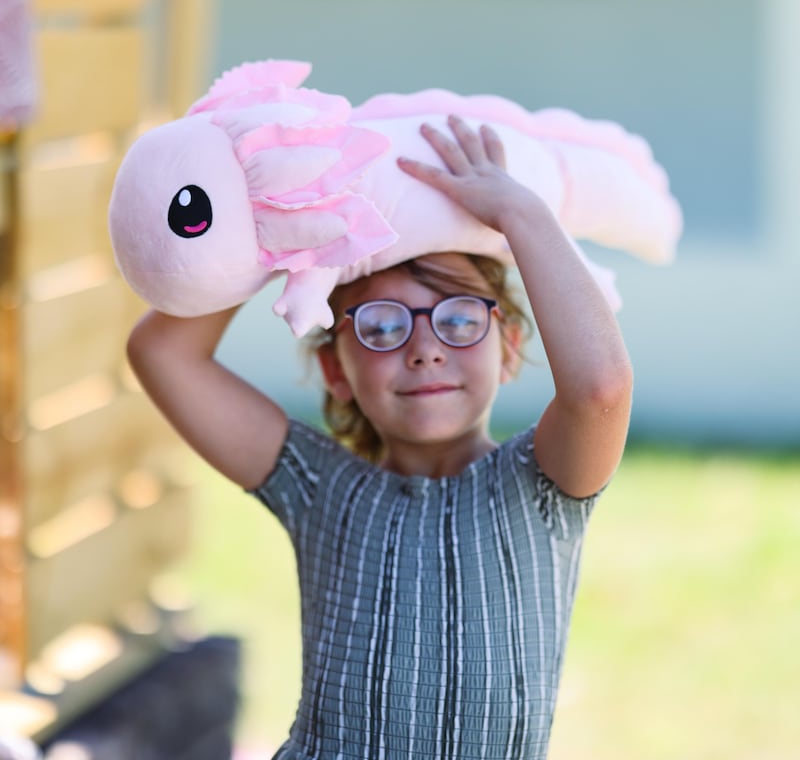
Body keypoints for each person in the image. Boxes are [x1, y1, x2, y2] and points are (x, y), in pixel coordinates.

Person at [127, 116, 633, 759]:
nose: (425, 350)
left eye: (459, 319)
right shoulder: (319, 487)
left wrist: (518, 214)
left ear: (508, 349)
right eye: (383, 326)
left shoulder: (543, 487)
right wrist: (276, 223)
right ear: (337, 367)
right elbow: (162, 353)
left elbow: (601, 389)